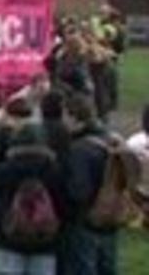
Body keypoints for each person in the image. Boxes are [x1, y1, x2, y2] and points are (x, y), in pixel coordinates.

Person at [0, 123, 68, 275]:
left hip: (10, 240)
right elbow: (63, 205)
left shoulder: (4, 170)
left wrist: (1, 225)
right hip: (45, 240)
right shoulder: (54, 170)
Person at [61, 94, 119, 275]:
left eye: (65, 116)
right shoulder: (111, 140)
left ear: (74, 117)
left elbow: (79, 191)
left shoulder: (79, 149)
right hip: (111, 216)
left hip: (85, 221)